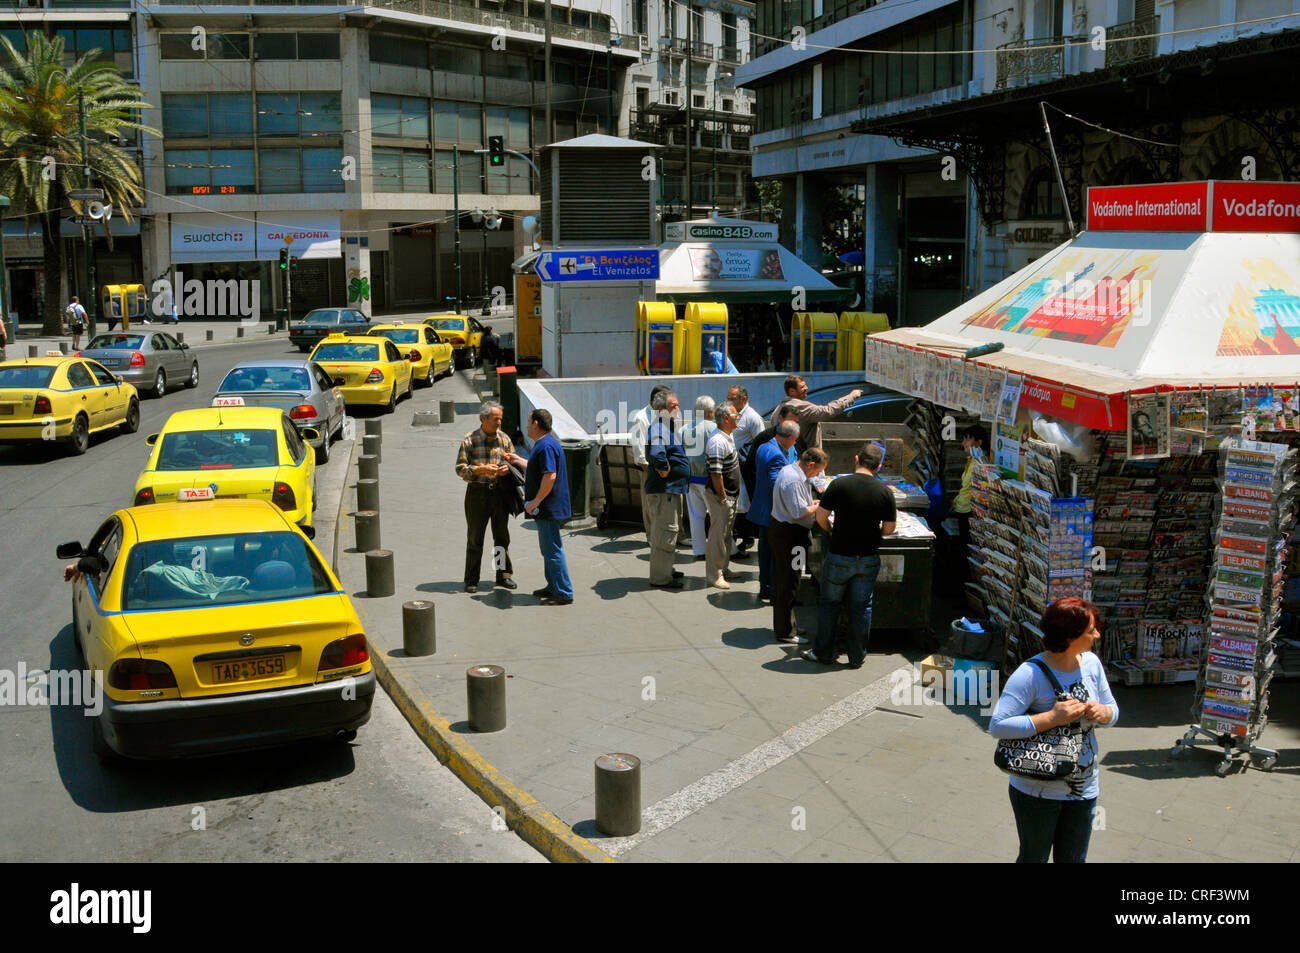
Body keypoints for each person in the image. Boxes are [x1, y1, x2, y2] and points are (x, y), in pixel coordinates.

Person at [989, 598, 1118, 863]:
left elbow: (1112, 710)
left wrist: (1103, 713)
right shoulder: (1030, 674)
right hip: (1037, 790)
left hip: (1084, 787)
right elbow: (998, 725)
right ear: (1070, 637)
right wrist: (1052, 717)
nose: (1097, 634)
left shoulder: (1091, 664)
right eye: (1090, 631)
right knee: (1033, 858)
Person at [805, 442, 896, 667]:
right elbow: (889, 527)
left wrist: (831, 531)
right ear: (879, 466)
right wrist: (876, 534)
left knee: (830, 604)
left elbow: (821, 517)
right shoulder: (884, 491)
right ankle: (856, 657)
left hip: (839, 555)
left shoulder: (838, 485)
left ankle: (823, 652)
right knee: (861, 607)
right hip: (867, 557)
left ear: (856, 459)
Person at [506, 409, 573, 606]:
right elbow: (538, 468)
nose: (526, 426)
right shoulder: (545, 444)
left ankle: (563, 592)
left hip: (548, 507)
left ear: (536, 424)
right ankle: (553, 586)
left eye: (528, 422)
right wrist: (517, 459)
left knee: (552, 550)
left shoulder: (545, 446)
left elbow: (549, 475)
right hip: (548, 507)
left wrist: (535, 501)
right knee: (548, 549)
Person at [454, 400, 518, 594]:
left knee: (501, 537)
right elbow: (460, 469)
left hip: (499, 494)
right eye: (495, 419)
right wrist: (480, 469)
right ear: (484, 418)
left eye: (500, 419)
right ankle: (472, 579)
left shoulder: (505, 439)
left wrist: (508, 468)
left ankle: (502, 575)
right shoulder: (470, 440)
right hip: (477, 493)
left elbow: (514, 462)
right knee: (475, 537)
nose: (499, 422)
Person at [770, 448, 827, 644]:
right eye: (818, 471)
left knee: (790, 579)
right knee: (789, 582)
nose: (817, 475)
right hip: (790, 536)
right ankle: (786, 631)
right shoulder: (793, 479)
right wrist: (817, 506)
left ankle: (788, 624)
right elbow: (798, 512)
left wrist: (812, 503)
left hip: (790, 534)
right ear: (811, 465)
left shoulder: (792, 472)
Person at [747, 420, 799, 602]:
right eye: (795, 440)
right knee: (773, 553)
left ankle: (768, 587)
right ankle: (770, 589)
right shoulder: (775, 454)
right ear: (790, 438)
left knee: (767, 551)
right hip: (772, 512)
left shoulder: (769, 446)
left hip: (767, 510)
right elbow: (779, 484)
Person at [645, 389, 690, 589]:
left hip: (670, 491)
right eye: (674, 406)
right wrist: (663, 469)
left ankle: (666, 569)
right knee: (665, 533)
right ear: (662, 410)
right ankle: (661, 577)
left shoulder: (667, 426)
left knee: (667, 532)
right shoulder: (659, 429)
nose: (678, 409)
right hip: (664, 492)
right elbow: (658, 453)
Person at [705, 401, 742, 589]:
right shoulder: (717, 442)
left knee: (726, 535)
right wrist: (723, 498)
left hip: (730, 496)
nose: (739, 418)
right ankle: (714, 575)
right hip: (721, 498)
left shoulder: (728, 436)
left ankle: (724, 568)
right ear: (726, 418)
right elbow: (715, 473)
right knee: (717, 536)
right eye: (736, 416)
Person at [772, 375, 863, 451]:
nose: (806, 388)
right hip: (808, 462)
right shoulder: (800, 407)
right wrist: (851, 396)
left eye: (805, 385)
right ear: (792, 391)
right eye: (802, 387)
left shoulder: (777, 409)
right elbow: (827, 411)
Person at [726, 384, 765, 558]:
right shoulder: (729, 414)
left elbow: (760, 442)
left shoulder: (752, 418)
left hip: (744, 467)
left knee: (745, 502)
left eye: (732, 398)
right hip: (731, 465)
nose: (729, 401)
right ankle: (738, 536)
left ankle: (747, 537)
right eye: (728, 398)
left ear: (744, 399)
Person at [631, 384, 671, 545]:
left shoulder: (664, 414)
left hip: (665, 466)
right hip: (649, 468)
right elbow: (638, 446)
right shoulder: (641, 418)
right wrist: (647, 468)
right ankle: (651, 536)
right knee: (650, 503)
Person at [682, 394, 717, 562]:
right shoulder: (714, 429)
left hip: (690, 479)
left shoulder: (683, 430)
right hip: (709, 480)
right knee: (718, 516)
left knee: (696, 516)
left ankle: (699, 550)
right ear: (711, 411)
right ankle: (727, 549)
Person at [950, 423, 988, 576]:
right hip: (962, 507)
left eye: (968, 440)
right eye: (963, 439)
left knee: (966, 547)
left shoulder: (980, 462)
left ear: (979, 443)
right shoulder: (971, 460)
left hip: (968, 511)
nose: (963, 443)